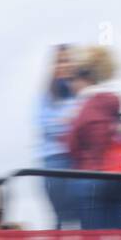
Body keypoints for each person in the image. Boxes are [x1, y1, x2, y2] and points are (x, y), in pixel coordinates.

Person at [66, 46, 121, 229]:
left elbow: (72, 146)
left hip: (91, 179)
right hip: (117, 178)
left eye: (72, 79)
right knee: (119, 236)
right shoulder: (113, 102)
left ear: (83, 78)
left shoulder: (85, 108)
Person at [37, 44, 79, 229]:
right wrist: (71, 123)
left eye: (68, 60)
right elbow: (46, 126)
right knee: (61, 218)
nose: (64, 65)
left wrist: (67, 123)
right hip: (54, 160)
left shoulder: (80, 92)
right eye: (60, 61)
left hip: (77, 160)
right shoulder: (45, 96)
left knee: (81, 219)